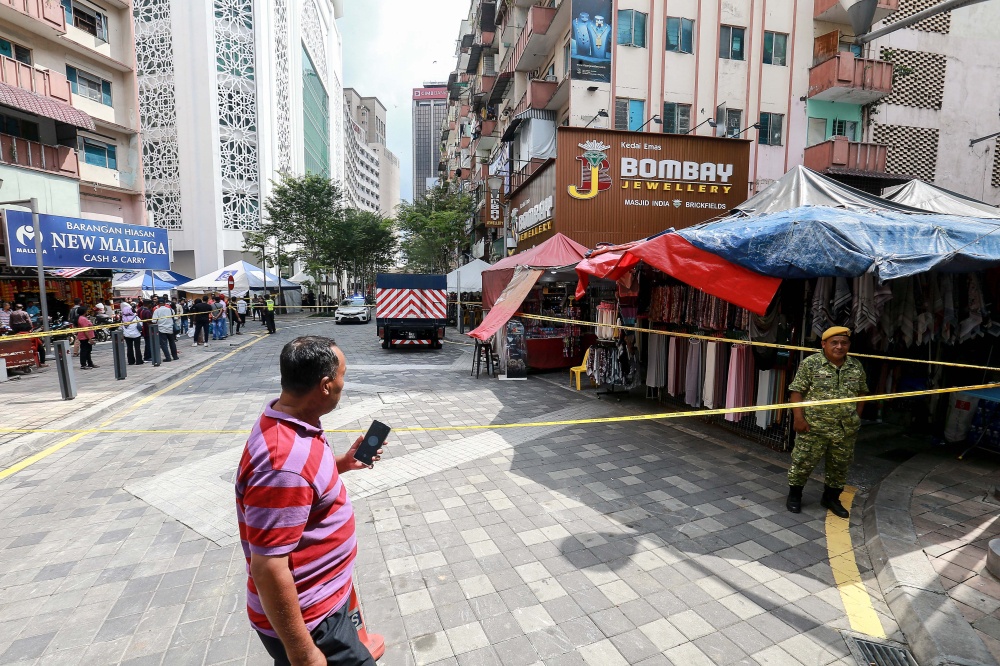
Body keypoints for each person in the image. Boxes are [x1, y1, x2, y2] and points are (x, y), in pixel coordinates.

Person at [235, 336, 383, 666]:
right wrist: (303, 653)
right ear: (326, 385)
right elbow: (268, 566)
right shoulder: (283, 465)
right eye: (343, 375)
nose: (346, 383)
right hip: (314, 622)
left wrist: (343, 463)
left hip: (326, 600)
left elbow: (308, 487)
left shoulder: (294, 420)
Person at [786, 326, 868, 518]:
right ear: (824, 344)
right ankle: (794, 496)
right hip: (813, 427)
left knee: (839, 466)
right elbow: (796, 391)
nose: (839, 347)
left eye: (844, 343)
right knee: (803, 462)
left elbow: (862, 392)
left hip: (844, 429)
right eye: (834, 343)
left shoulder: (855, 366)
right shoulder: (811, 364)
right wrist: (798, 418)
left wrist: (856, 416)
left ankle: (831, 498)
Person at [153, 297, 179, 364]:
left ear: (158, 304)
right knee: (172, 342)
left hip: (161, 329)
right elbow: (175, 318)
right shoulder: (170, 310)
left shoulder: (156, 311)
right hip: (170, 328)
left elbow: (154, 321)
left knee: (164, 344)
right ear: (165, 303)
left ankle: (168, 357)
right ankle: (175, 356)